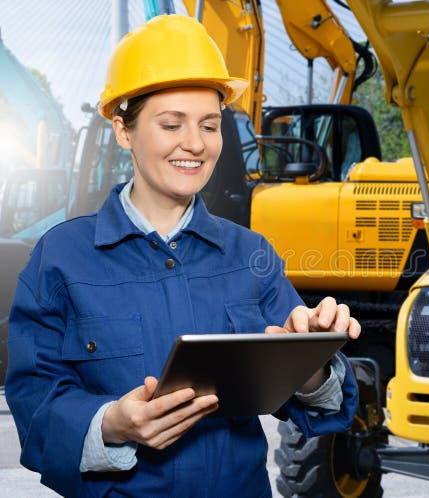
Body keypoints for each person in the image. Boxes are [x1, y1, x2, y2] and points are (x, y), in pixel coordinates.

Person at [5, 15, 360, 497]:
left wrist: (313, 352)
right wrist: (112, 424)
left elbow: (318, 405)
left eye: (210, 126)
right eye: (171, 124)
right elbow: (33, 399)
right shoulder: (62, 259)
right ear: (123, 130)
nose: (194, 144)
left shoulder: (250, 255)